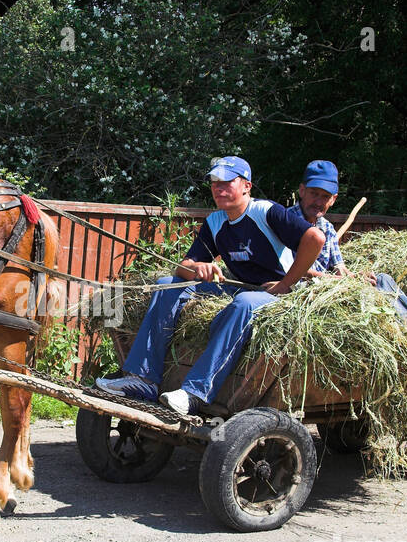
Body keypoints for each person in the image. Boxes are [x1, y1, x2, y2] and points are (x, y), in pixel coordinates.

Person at [96, 156, 324, 415]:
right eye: (215, 183)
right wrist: (196, 268)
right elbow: (181, 267)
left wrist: (286, 283)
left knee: (245, 303)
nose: (219, 188)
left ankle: (195, 392)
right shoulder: (216, 222)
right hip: (241, 289)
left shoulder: (265, 212)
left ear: (246, 186)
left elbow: (315, 238)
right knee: (166, 284)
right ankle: (143, 379)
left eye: (227, 182)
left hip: (276, 295)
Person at [286, 160, 407, 360]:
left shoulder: (327, 228)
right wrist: (335, 281)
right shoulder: (286, 221)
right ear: (302, 190)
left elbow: (339, 268)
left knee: (381, 280)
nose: (319, 201)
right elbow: (293, 271)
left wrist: (355, 277)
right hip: (300, 292)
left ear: (333, 199)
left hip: (328, 286)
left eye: (325, 197)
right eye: (314, 193)